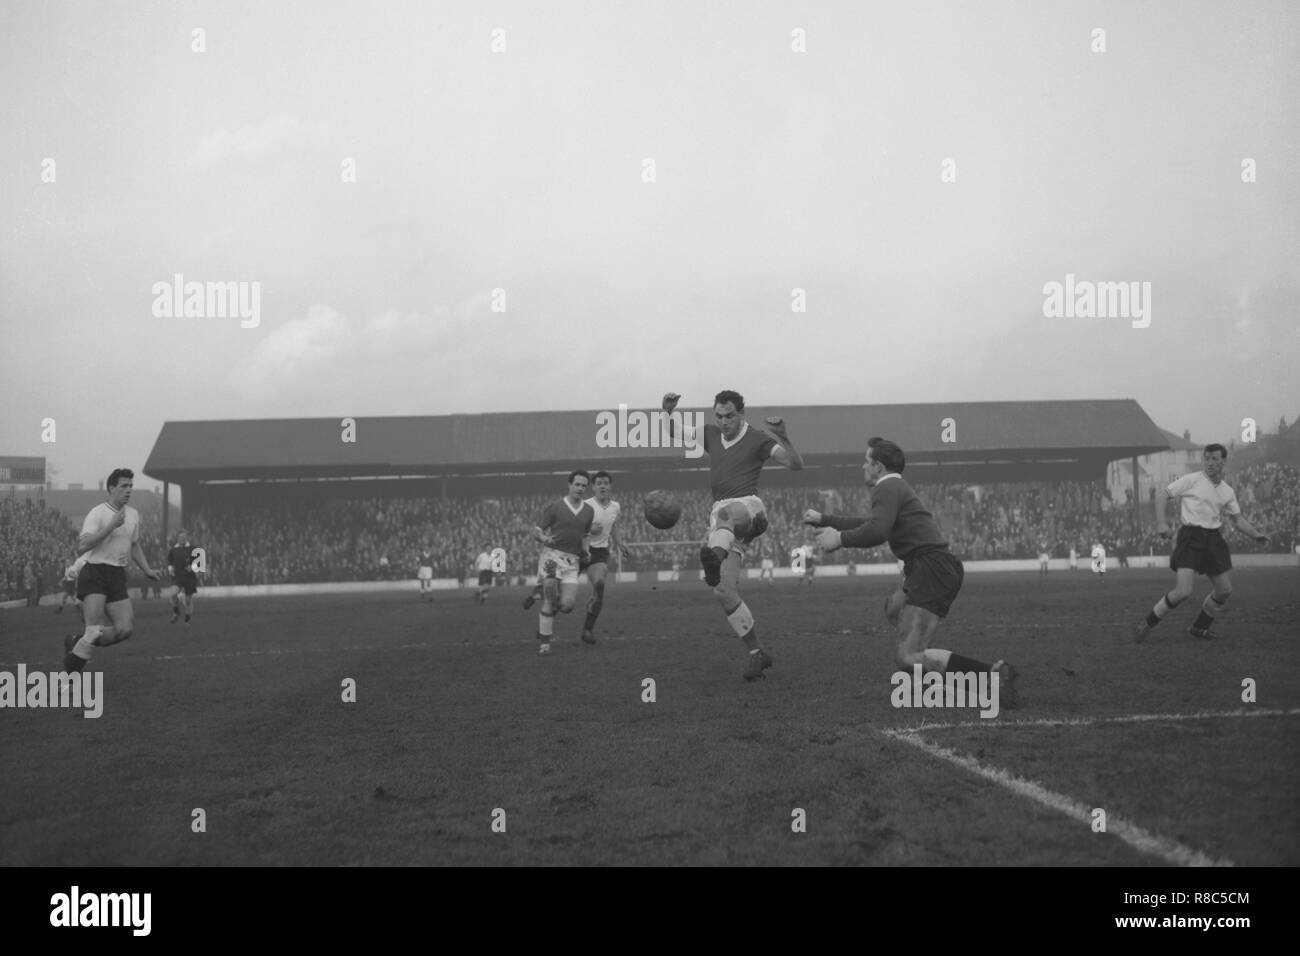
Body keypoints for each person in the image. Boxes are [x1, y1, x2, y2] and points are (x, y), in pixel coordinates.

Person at [805, 437, 1018, 707]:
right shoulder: (894, 487)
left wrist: (839, 539)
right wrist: (825, 520)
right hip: (926, 567)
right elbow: (872, 523)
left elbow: (877, 531)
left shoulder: (886, 488)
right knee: (894, 608)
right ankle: (930, 672)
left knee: (907, 657)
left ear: (878, 467)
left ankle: (990, 677)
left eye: (866, 462)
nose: (862, 467)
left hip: (931, 567)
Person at [663, 389, 804, 681]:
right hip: (721, 522)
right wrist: (666, 412)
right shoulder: (711, 435)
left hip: (750, 510)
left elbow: (795, 465)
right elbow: (675, 432)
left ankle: (714, 557)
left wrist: (785, 437)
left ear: (742, 413)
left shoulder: (758, 439)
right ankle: (757, 654)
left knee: (728, 515)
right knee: (723, 591)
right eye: (719, 416)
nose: (724, 421)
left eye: (729, 416)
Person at [1134, 444, 1269, 642]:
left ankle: (1199, 627)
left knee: (1224, 590)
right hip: (1191, 536)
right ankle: (1147, 623)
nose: (1210, 463)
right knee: (1183, 592)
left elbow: (1237, 520)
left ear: (1223, 461)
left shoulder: (1227, 491)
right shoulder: (1192, 480)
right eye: (1206, 458)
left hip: (1213, 539)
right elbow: (1163, 495)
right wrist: (1161, 523)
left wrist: (1256, 534)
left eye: (1215, 459)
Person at [63, 469, 164, 672]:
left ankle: (76, 642)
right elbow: (82, 546)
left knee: (125, 630)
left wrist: (147, 569)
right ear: (111, 488)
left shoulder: (133, 514)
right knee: (92, 631)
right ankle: (68, 678)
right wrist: (111, 526)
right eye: (123, 486)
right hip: (95, 572)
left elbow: (134, 544)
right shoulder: (98, 513)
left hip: (117, 575)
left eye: (130, 486)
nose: (128, 490)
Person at [532, 471, 595, 654]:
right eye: (577, 484)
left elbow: (585, 536)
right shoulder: (556, 507)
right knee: (550, 586)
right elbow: (536, 531)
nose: (581, 488)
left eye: (584, 486)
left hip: (572, 562)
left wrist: (586, 551)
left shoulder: (588, 511)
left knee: (567, 605)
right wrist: (545, 539)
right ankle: (545, 643)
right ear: (569, 485)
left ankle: (548, 603)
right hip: (552, 556)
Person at [577, 471, 631, 643]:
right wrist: (587, 530)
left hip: (599, 552)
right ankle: (548, 616)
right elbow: (573, 529)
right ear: (593, 487)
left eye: (605, 483)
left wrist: (620, 543)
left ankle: (587, 630)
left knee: (599, 585)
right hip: (578, 550)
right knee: (563, 598)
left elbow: (614, 526)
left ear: (610, 486)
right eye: (599, 483)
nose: (602, 486)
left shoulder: (615, 506)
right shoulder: (585, 505)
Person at [167, 530, 200, 625]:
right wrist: (170, 568)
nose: (182, 539)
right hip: (178, 577)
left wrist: (193, 567)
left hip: (190, 578)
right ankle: (176, 611)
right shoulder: (173, 550)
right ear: (177, 538)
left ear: (187, 538)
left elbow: (199, 562)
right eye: (180, 538)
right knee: (173, 594)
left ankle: (187, 619)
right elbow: (169, 561)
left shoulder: (193, 549)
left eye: (184, 537)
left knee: (188, 601)